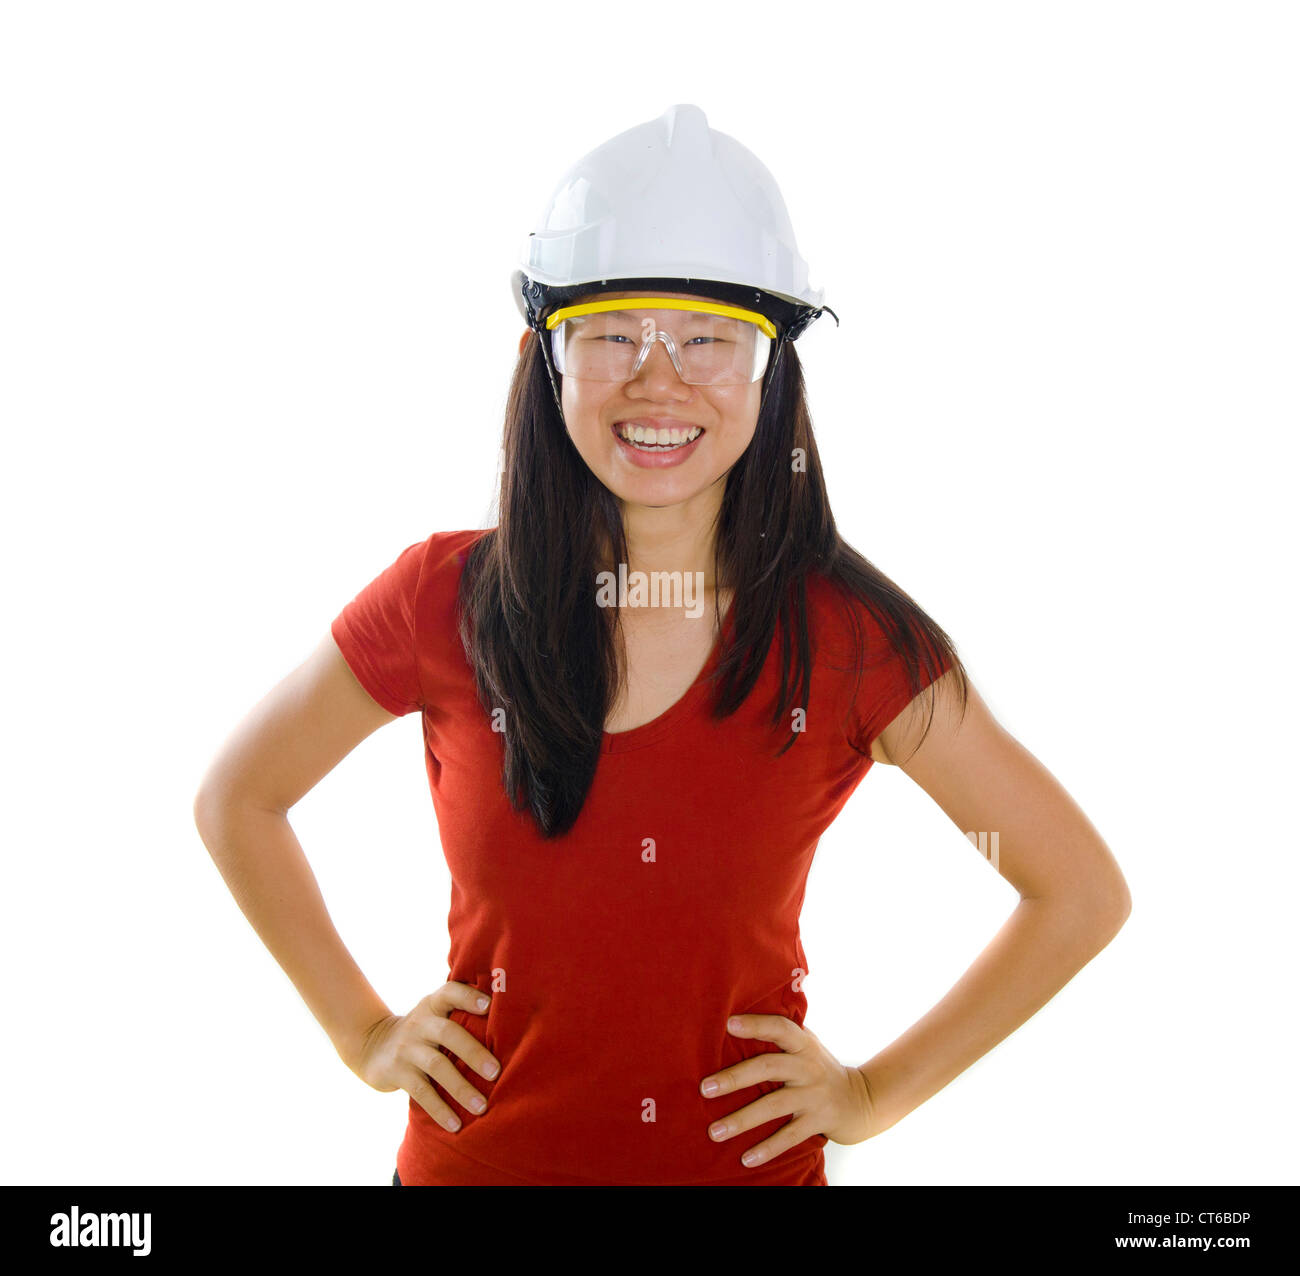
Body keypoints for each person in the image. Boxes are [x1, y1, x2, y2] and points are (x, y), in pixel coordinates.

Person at [193, 105, 1131, 1187]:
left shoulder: (849, 644)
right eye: (610, 334)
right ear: (546, 359)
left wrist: (871, 1095)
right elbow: (239, 798)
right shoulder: (438, 599)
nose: (657, 379)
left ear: (770, 370)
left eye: (705, 338)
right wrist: (362, 1036)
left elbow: (1075, 890)